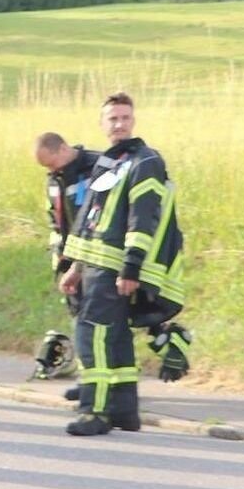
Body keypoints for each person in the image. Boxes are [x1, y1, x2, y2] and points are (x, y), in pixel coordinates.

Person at [58, 92, 188, 436]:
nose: (119, 124)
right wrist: (75, 268)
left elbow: (143, 216)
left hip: (116, 269)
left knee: (93, 337)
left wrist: (131, 267)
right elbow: (89, 220)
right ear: (102, 124)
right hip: (97, 267)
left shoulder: (145, 162)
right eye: (112, 119)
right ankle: (124, 411)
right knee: (114, 339)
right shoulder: (107, 163)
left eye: (125, 118)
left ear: (133, 121)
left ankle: (94, 412)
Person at [31, 133, 101, 379]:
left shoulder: (96, 167)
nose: (50, 170)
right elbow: (56, 221)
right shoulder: (55, 179)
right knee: (79, 317)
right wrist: (60, 260)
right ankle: (89, 378)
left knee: (100, 320)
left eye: (50, 163)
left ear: (62, 148)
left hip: (98, 257)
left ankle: (102, 379)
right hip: (71, 258)